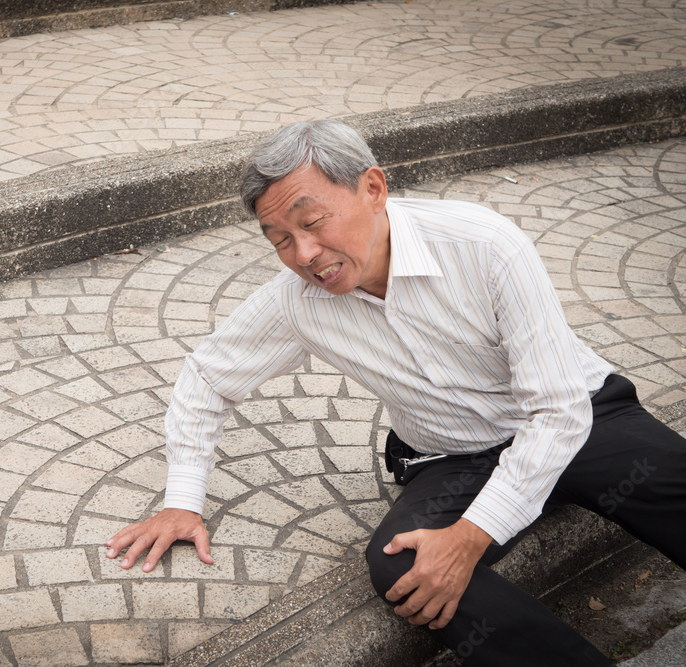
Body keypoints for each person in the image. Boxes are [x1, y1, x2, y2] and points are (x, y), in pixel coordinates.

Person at [105, 118, 686, 664]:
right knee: (401, 567)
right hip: (455, 455)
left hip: (582, 418)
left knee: (672, 479)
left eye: (312, 223)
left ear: (374, 188)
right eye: (279, 238)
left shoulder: (484, 245)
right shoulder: (295, 299)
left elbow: (557, 412)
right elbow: (207, 373)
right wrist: (183, 499)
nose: (303, 255)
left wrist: (471, 536)